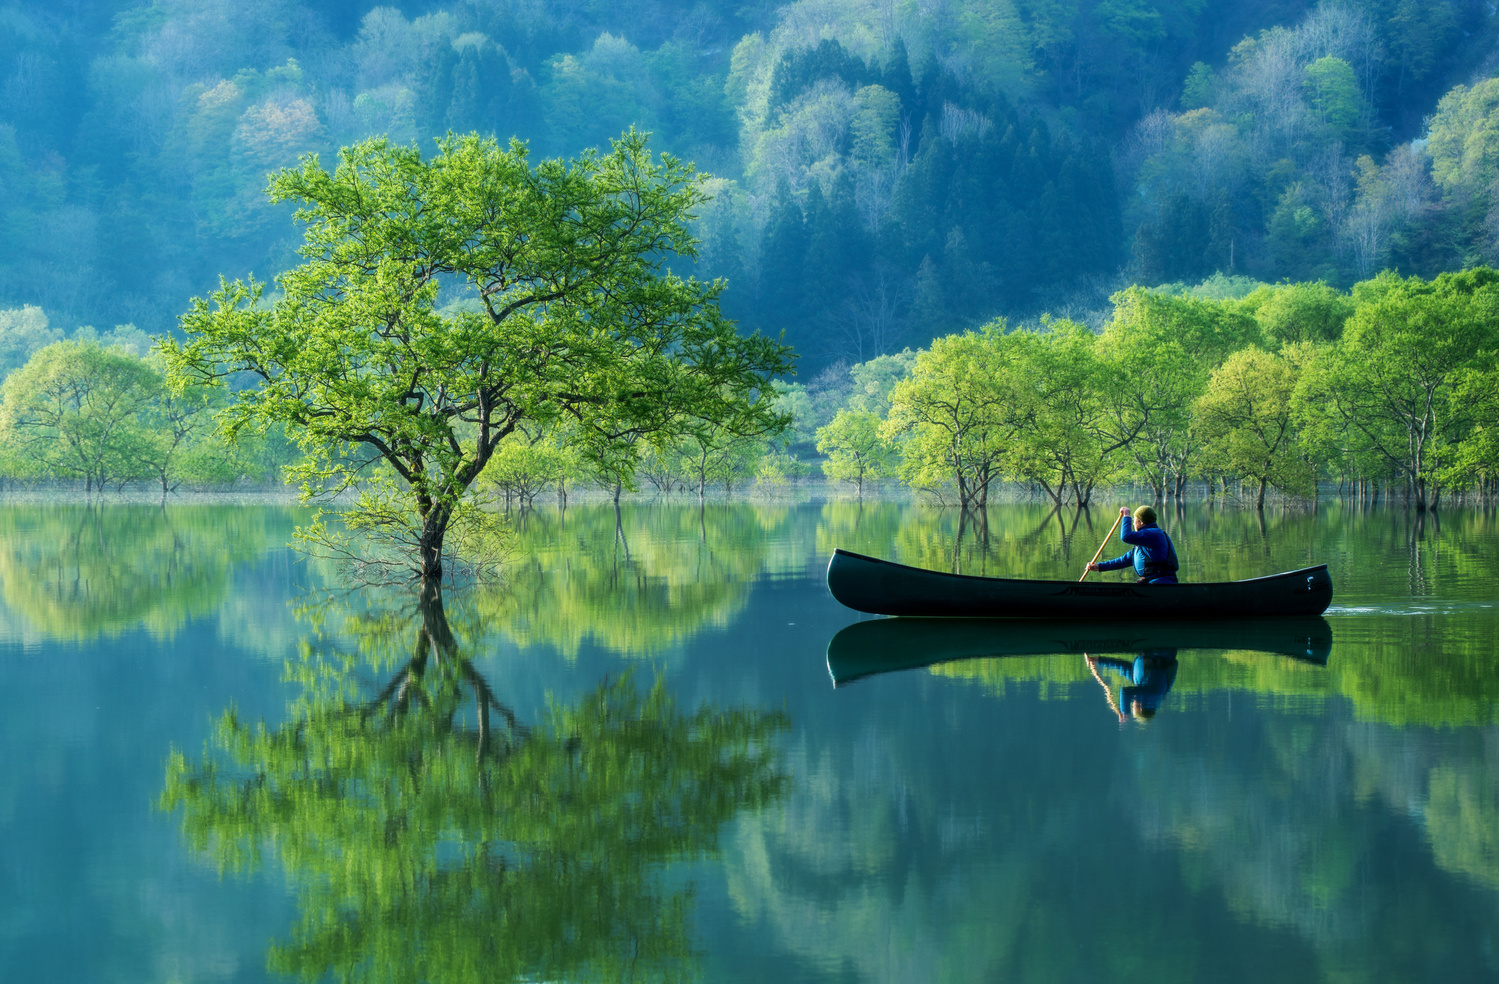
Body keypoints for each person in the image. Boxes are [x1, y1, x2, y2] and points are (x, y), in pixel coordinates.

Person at [1086, 505, 1179, 583]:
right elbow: (1124, 560)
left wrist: (1126, 516)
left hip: (1162, 582)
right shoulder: (1145, 540)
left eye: (1134, 520)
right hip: (1151, 582)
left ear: (1141, 522)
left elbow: (1125, 536)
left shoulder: (1154, 534)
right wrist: (1099, 566)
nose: (1133, 524)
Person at [1086, 649, 1179, 721]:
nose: (1133, 701)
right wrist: (1125, 711)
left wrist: (1099, 660)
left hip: (1148, 649)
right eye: (1133, 705)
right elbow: (1125, 692)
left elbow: (1122, 667)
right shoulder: (1154, 693)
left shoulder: (1141, 684)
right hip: (1160, 650)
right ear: (1141, 707)